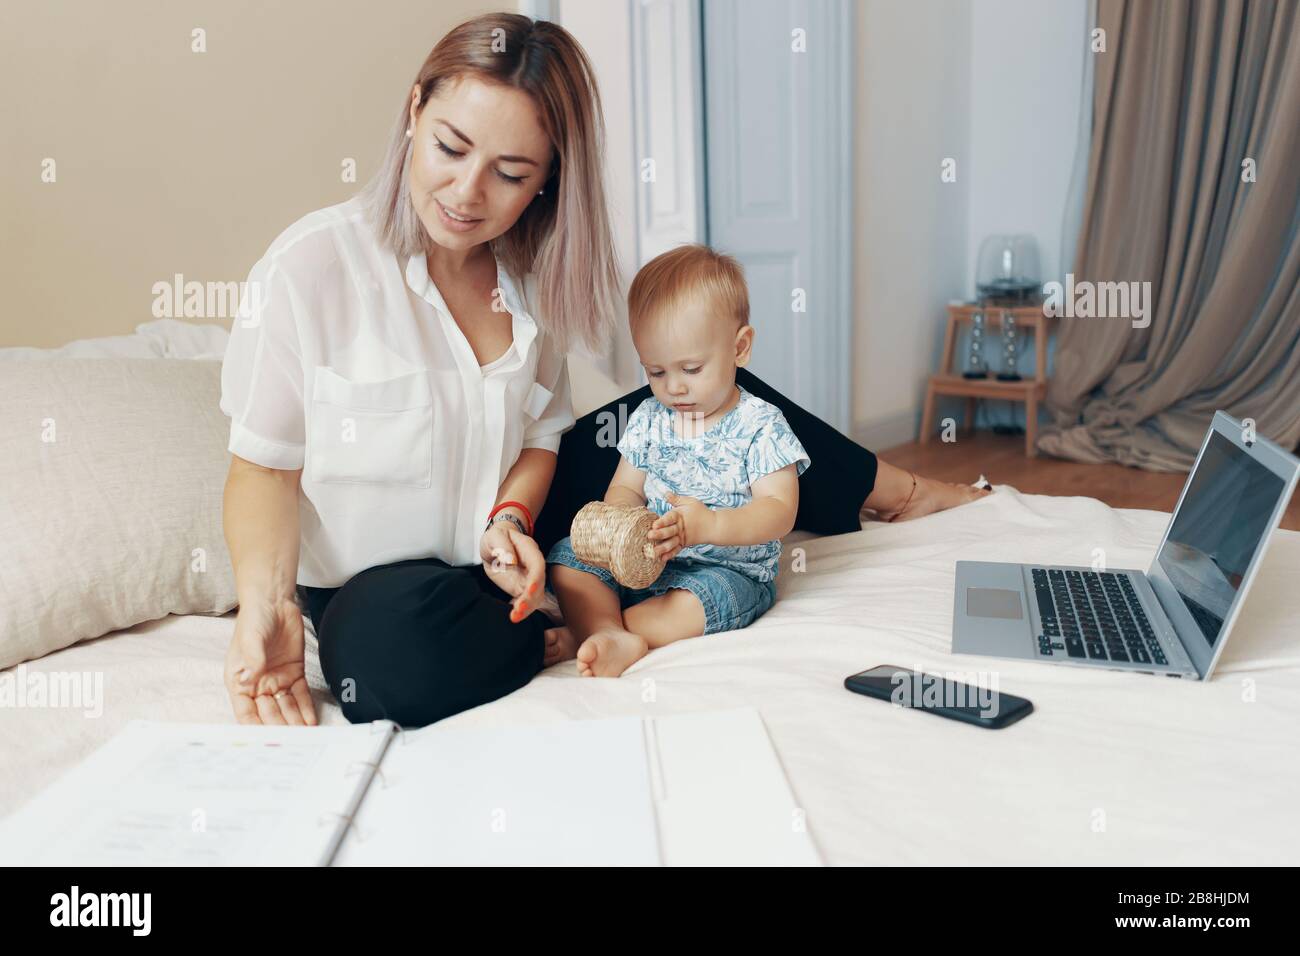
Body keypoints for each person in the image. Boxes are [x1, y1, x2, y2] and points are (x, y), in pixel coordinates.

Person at [219, 13, 988, 729]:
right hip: (385, 580)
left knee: (704, 395)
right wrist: (266, 605)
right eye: (451, 148)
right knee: (392, 660)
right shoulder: (309, 269)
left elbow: (545, 434)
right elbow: (263, 469)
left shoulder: (531, 279)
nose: (466, 193)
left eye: (511, 173)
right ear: (415, 109)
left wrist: (511, 520)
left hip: (518, 526)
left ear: (549, 178)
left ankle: (905, 491)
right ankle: (564, 614)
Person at [547, 245, 809, 677]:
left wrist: (710, 526)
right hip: (647, 565)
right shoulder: (650, 417)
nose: (674, 388)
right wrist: (624, 523)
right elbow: (625, 487)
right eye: (656, 372)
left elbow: (780, 511)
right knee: (567, 558)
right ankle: (607, 626)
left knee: (705, 602)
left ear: (739, 348)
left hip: (726, 570)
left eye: (691, 369)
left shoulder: (761, 424)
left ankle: (597, 631)